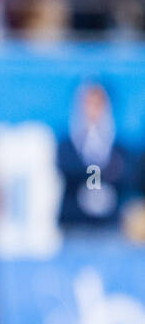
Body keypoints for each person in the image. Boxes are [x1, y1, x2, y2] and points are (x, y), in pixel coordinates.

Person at [57, 82, 130, 227]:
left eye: (98, 104)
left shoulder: (119, 151)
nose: (92, 111)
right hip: (73, 225)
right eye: (87, 104)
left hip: (110, 227)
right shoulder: (66, 147)